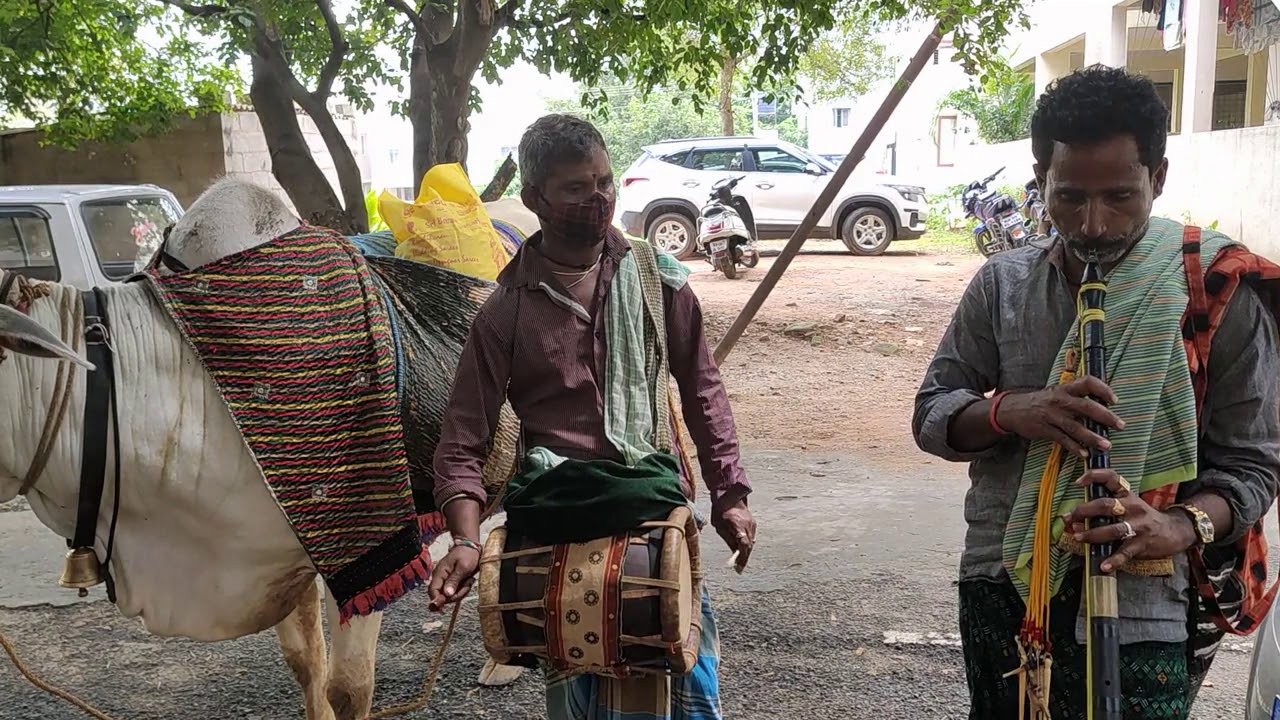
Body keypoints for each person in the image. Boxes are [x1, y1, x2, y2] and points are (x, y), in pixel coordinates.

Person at [913, 65, 1280, 719]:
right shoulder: (1002, 285)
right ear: (1040, 181)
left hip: (1150, 603)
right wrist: (1012, 411)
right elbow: (932, 413)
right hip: (1005, 587)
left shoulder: (1215, 290)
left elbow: (1253, 464)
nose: (1093, 224)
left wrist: (1177, 524)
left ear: (1158, 178)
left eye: (1119, 197)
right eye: (1069, 197)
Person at [427, 113, 757, 720]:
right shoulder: (505, 311)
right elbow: (463, 439)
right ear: (535, 198)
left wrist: (730, 494)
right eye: (576, 188)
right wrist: (467, 541)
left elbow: (702, 390)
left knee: (691, 698)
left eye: (604, 181)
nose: (598, 198)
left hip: (656, 513)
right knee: (581, 703)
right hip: (558, 529)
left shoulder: (659, 280)